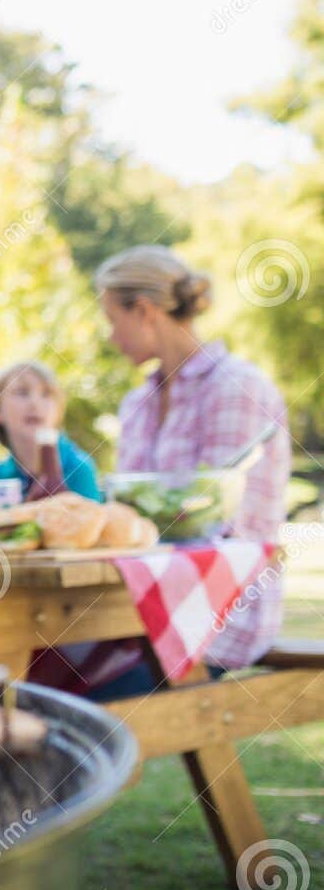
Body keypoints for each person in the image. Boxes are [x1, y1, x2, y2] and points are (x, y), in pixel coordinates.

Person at [96, 245, 289, 677]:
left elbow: (221, 520)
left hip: (217, 613)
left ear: (144, 310)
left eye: (113, 320)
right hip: (138, 607)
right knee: (31, 672)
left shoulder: (237, 388)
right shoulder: (137, 402)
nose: (110, 337)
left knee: (56, 702)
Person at [0, 360, 102, 504]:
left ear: (58, 411)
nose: (35, 403)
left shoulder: (79, 469)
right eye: (22, 393)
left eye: (46, 394)